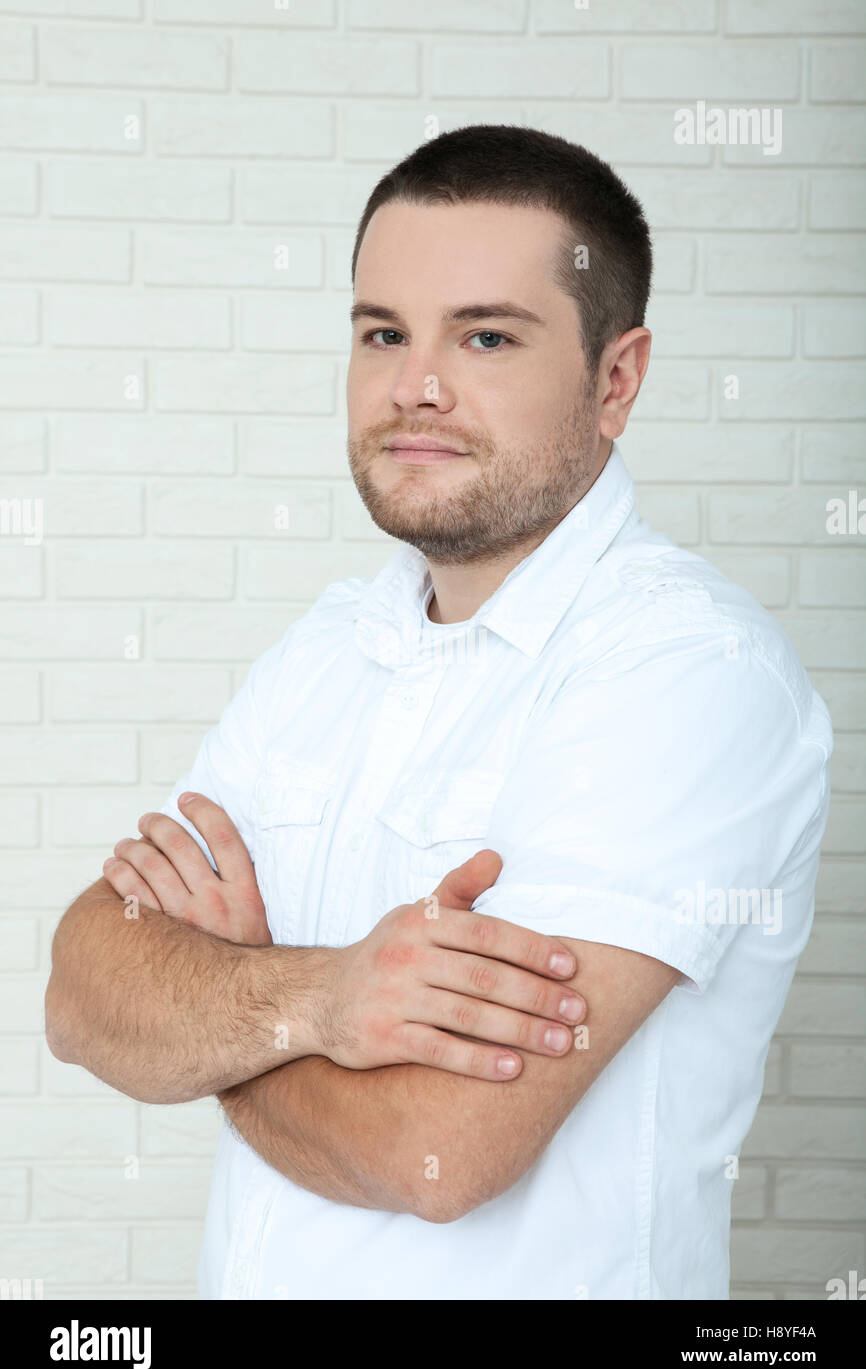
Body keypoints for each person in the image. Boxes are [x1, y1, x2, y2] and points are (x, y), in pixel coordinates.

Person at [46, 125, 832, 1301]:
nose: (415, 383)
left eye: (484, 335)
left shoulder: (685, 674)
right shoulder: (328, 647)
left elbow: (441, 1150)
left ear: (615, 380)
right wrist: (317, 998)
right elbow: (79, 991)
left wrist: (212, 1010)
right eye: (381, 334)